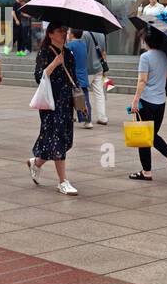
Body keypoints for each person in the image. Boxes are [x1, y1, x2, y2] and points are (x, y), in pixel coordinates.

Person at [28, 23, 79, 195]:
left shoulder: (69, 53)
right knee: (57, 139)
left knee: (63, 139)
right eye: (60, 31)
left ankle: (36, 162)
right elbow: (38, 77)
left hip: (66, 102)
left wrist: (81, 103)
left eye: (65, 31)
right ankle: (62, 181)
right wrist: (55, 63)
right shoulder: (45, 52)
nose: (64, 34)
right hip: (51, 103)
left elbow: (74, 78)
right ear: (50, 34)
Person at [128, 27, 167, 181]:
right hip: (161, 103)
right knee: (152, 136)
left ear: (146, 40)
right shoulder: (165, 55)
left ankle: (148, 171)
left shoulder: (145, 57)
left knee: (145, 137)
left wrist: (135, 100)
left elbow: (142, 80)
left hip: (146, 101)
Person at [65, 29, 92, 128]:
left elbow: (66, 60)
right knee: (84, 99)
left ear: (72, 34)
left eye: (68, 33)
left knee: (72, 99)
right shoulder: (83, 44)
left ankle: (75, 118)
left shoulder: (71, 45)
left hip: (74, 77)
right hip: (83, 75)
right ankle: (88, 120)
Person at [85, 27, 109, 126]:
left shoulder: (84, 34)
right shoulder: (102, 35)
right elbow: (103, 52)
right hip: (98, 68)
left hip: (86, 69)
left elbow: (83, 52)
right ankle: (102, 117)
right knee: (99, 94)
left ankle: (83, 117)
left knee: (82, 94)